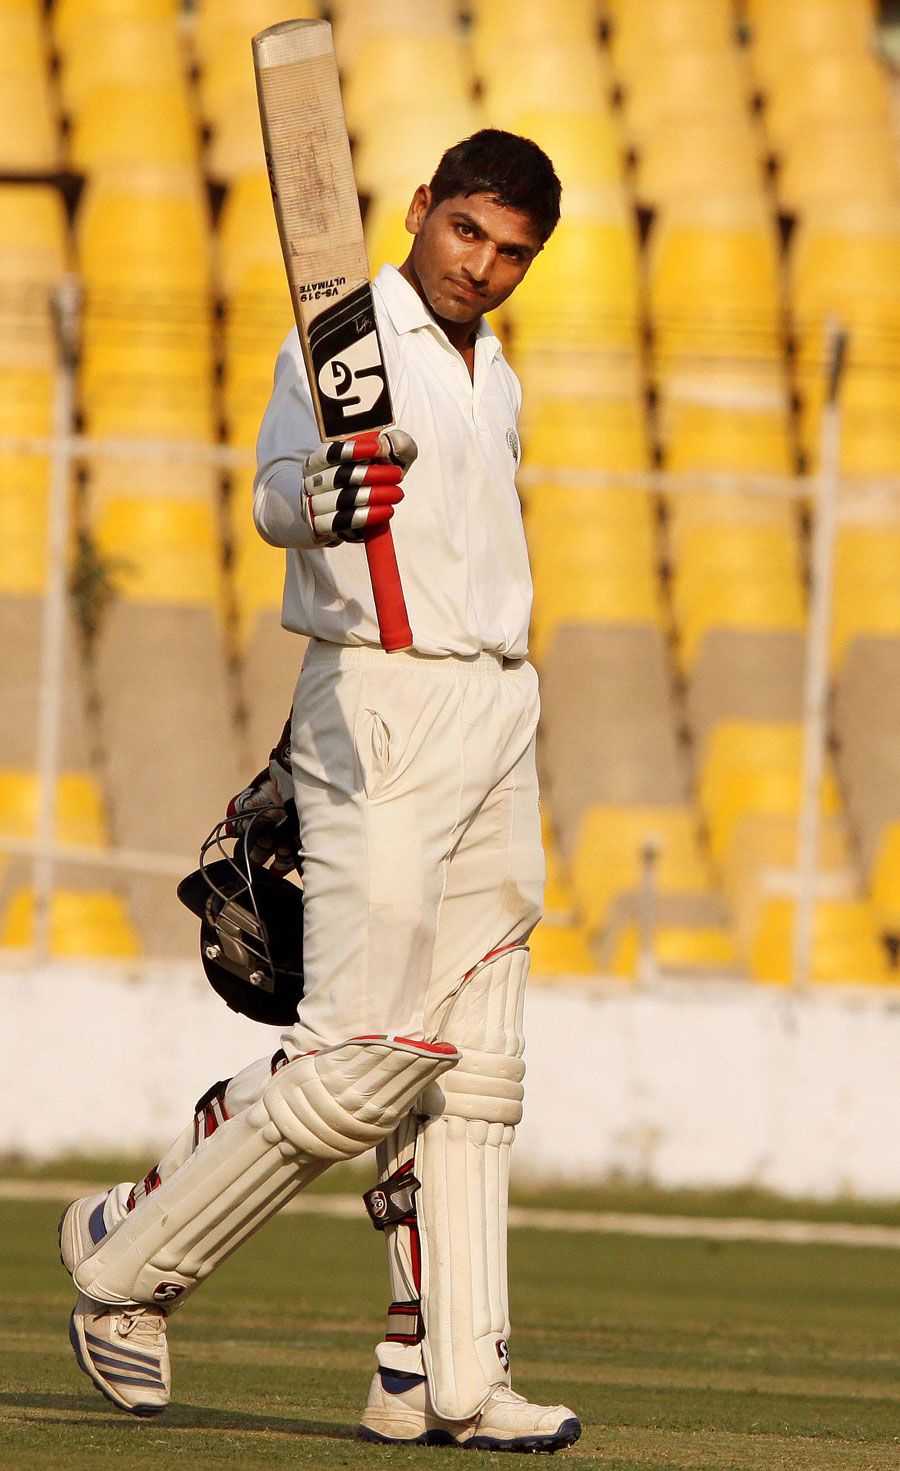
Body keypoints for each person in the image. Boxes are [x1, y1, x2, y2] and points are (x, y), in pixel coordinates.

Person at [60, 129, 581, 1453]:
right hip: (382, 697)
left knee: (478, 1062)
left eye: (512, 252)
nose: (483, 266)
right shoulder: (343, 342)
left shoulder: (498, 377)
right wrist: (323, 497)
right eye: (467, 231)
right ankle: (127, 1254)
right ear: (420, 209)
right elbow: (276, 493)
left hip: (498, 704)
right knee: (358, 1059)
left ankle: (443, 1373)